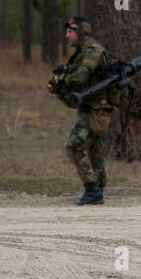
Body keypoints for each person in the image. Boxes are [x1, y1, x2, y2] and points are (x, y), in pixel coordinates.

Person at [50, 16, 115, 205]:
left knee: (73, 146)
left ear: (81, 33)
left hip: (97, 107)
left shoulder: (92, 49)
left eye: (70, 32)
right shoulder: (81, 52)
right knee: (94, 149)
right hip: (91, 105)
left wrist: (64, 80)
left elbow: (82, 75)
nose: (66, 35)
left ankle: (92, 190)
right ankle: (98, 191)